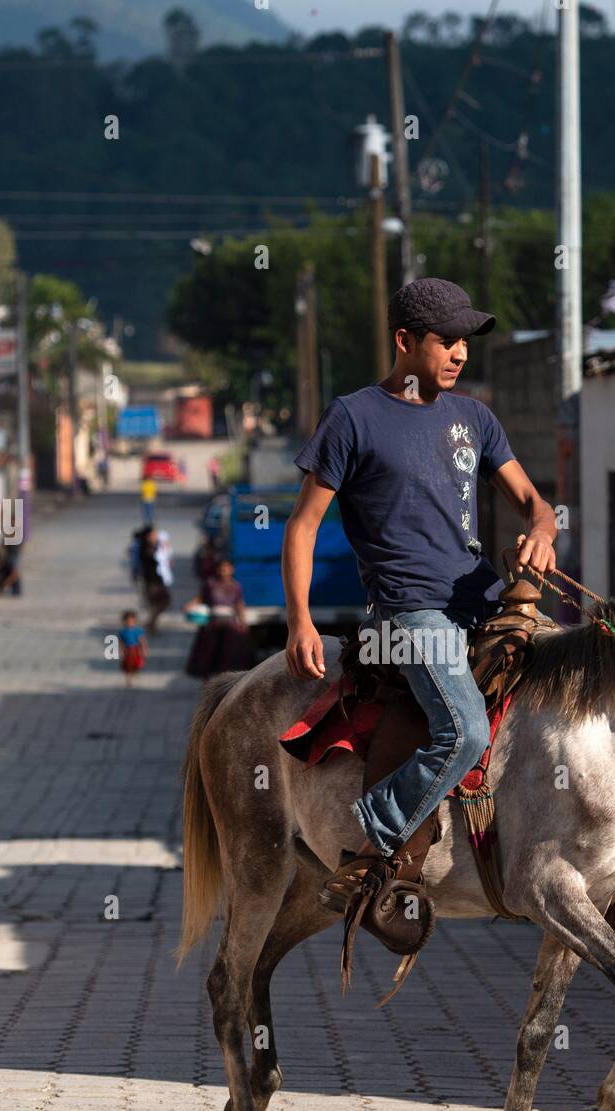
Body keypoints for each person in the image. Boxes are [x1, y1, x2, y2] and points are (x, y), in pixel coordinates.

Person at [285, 276, 558, 938]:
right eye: (445, 340)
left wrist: (543, 531)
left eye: (465, 341)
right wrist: (299, 620)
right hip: (410, 613)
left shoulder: (474, 418)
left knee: (583, 684)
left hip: (484, 598)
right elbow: (302, 526)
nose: (459, 353)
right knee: (464, 731)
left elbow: (534, 501)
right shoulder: (352, 418)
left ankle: (604, 865)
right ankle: (369, 846)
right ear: (405, 341)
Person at [185, 558, 253, 677]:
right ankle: (207, 677)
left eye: (227, 568)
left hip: (229, 623)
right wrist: (189, 606)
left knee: (228, 653)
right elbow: (200, 598)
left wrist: (243, 621)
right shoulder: (210, 584)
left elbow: (239, 604)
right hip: (213, 622)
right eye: (221, 568)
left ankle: (225, 677)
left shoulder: (236, 586)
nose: (224, 570)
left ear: (232, 570)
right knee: (208, 652)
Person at [135, 524, 171, 635]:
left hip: (158, 580)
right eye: (154, 534)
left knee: (163, 602)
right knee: (156, 604)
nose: (156, 536)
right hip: (151, 582)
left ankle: (151, 624)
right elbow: (154, 559)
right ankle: (151, 626)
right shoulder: (145, 547)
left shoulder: (154, 546)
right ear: (148, 536)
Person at [118, 609, 147, 686]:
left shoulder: (138, 631)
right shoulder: (123, 632)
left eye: (131, 621)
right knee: (127, 666)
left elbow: (142, 641)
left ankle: (133, 674)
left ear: (135, 621)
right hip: (127, 650)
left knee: (137, 664)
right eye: (128, 621)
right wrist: (121, 651)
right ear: (124, 621)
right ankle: (128, 680)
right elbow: (121, 642)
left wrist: (144, 650)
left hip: (135, 650)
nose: (130, 623)